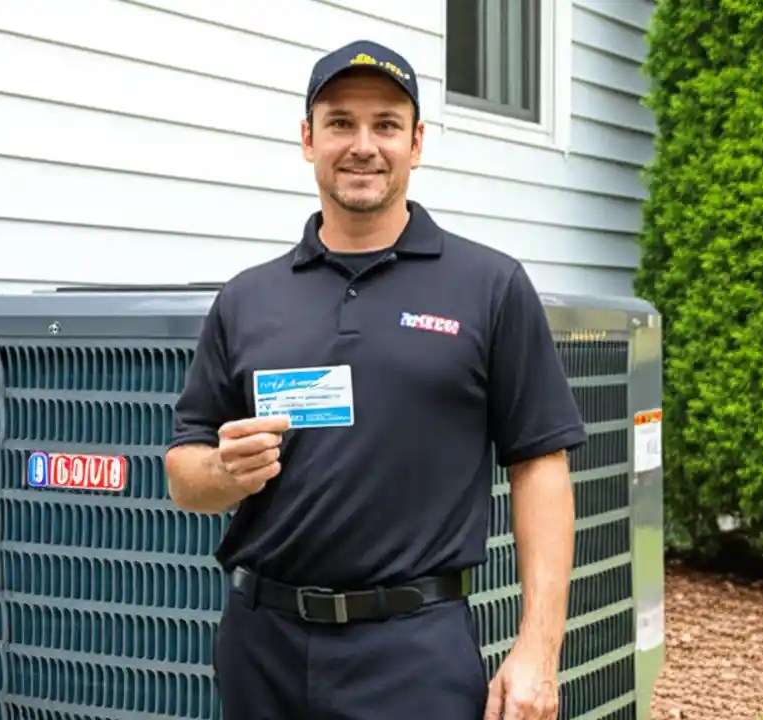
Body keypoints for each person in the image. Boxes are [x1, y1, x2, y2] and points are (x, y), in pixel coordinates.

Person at [164, 38, 587, 720]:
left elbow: (541, 463)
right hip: (260, 646)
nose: (363, 145)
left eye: (386, 124)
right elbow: (185, 473)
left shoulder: (488, 286)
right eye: (340, 123)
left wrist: (539, 650)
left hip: (413, 652)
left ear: (416, 143)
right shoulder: (248, 299)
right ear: (308, 139)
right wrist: (224, 471)